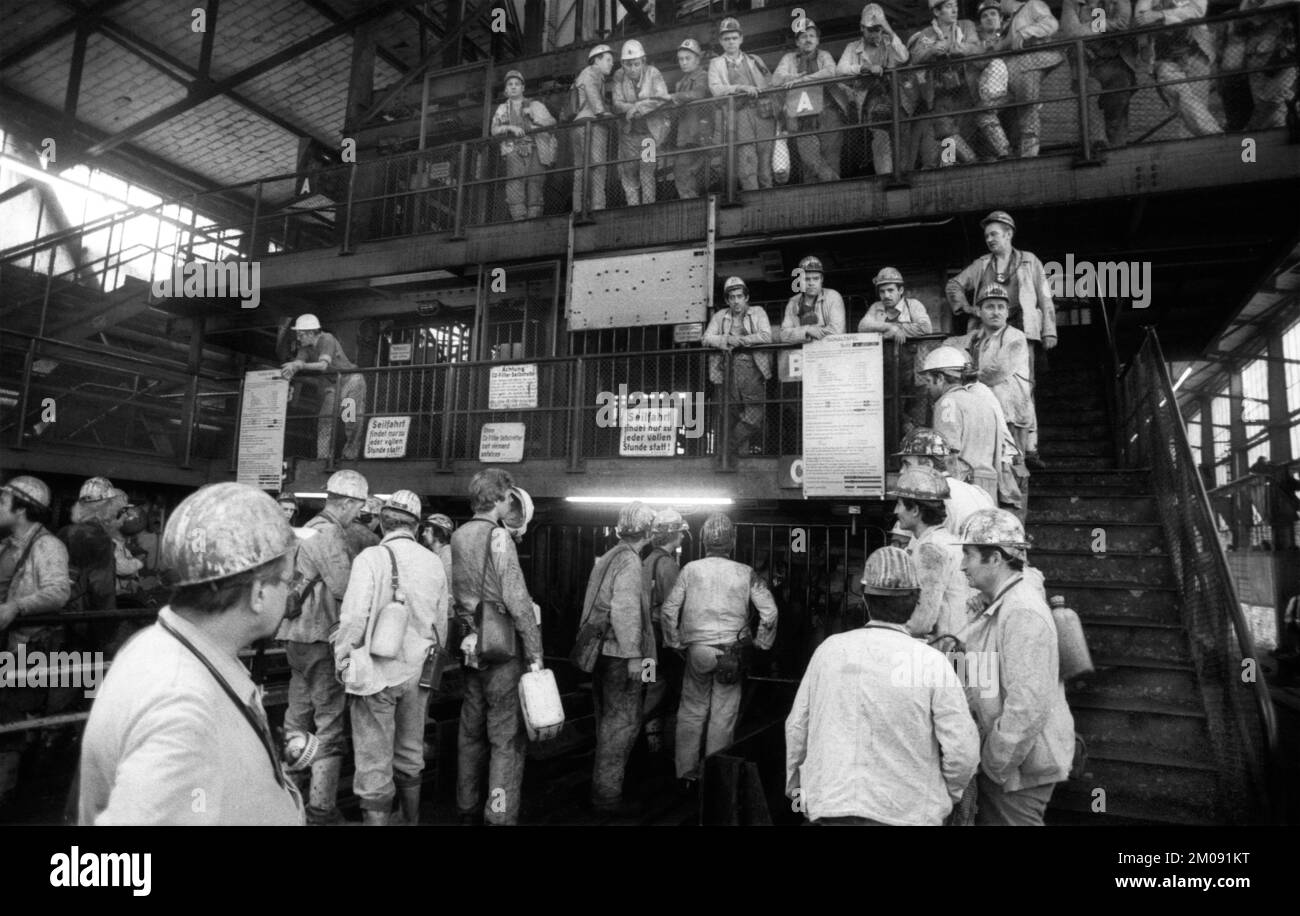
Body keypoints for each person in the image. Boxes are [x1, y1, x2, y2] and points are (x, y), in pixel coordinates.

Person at [78, 483, 304, 825]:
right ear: (258, 594)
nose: (289, 591)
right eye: (287, 580)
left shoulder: (164, 649)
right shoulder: (183, 707)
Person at [785, 547, 978, 825]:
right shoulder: (932, 662)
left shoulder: (829, 652)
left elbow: (797, 728)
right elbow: (963, 750)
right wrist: (947, 794)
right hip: (907, 814)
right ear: (917, 599)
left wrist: (797, 789)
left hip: (830, 808)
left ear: (864, 598)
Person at [334, 490, 447, 826]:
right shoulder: (434, 563)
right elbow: (441, 626)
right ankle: (410, 822)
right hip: (418, 672)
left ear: (383, 521)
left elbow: (353, 619)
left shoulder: (370, 558)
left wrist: (342, 659)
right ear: (415, 526)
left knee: (373, 762)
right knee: (411, 754)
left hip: (377, 673)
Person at [958, 508, 1076, 825]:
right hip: (1013, 766)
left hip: (1017, 772)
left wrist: (993, 765)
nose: (962, 565)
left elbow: (1028, 705)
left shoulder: (1022, 611)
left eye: (968, 555)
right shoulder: (1002, 603)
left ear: (995, 558)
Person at [450, 468, 544, 826]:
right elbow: (517, 601)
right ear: (500, 498)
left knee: (470, 731)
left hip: (470, 644)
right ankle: (500, 814)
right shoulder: (498, 537)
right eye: (508, 498)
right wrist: (534, 652)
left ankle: (466, 805)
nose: (510, 504)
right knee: (506, 738)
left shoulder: (459, 536)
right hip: (502, 647)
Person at [278, 468, 368, 825]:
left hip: (294, 636)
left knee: (296, 716)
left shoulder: (306, 526)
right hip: (319, 638)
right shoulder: (329, 534)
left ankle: (286, 795)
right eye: (357, 507)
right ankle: (321, 809)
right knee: (329, 722)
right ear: (346, 502)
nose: (358, 514)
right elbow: (346, 588)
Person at [661, 513, 778, 785]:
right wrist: (762, 642)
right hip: (732, 653)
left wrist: (675, 641)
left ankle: (685, 774)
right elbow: (770, 613)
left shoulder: (690, 569)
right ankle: (714, 778)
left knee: (691, 710)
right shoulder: (745, 572)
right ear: (732, 541)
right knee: (723, 715)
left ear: (703, 541)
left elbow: (669, 610)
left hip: (698, 651)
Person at [580, 502, 656, 816]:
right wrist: (635, 657)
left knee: (607, 723)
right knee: (621, 725)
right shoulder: (630, 562)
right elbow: (624, 612)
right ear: (649, 532)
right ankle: (608, 798)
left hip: (600, 655)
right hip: (618, 655)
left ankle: (605, 790)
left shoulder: (608, 556)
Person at [0, 475, 71, 808]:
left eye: (2, 502)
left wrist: (18, 606)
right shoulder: (6, 544)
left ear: (22, 510)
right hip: (8, 646)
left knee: (10, 720)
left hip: (26, 649)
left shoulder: (47, 546)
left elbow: (59, 591)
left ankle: (8, 795)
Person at [946, 210, 1058, 386]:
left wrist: (1049, 331)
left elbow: (1045, 298)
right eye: (986, 236)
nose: (989, 239)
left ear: (1008, 234)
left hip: (1022, 326)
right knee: (987, 377)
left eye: (993, 234)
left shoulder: (1030, 261)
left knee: (1024, 379)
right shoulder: (981, 264)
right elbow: (954, 284)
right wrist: (967, 307)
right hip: (989, 329)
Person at [922, 345, 1022, 510]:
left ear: (939, 378)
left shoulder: (947, 402)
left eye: (928, 381)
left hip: (964, 486)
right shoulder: (984, 403)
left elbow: (948, 454)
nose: (927, 387)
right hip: (989, 487)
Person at [955, 285, 1039, 467]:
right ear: (979, 311)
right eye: (990, 306)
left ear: (1007, 312)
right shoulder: (977, 339)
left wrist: (969, 376)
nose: (996, 312)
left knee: (1014, 467)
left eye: (1001, 307)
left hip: (1012, 414)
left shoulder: (1015, 337)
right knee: (990, 466)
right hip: (988, 411)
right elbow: (954, 347)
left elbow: (996, 371)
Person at [891, 467, 972, 640]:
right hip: (961, 642)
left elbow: (923, 618)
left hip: (949, 648)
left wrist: (893, 634)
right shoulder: (945, 539)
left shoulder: (930, 548)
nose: (895, 511)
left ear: (915, 510)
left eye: (899, 504)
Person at [280, 313, 367, 461]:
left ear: (311, 333)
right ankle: (323, 458)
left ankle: (350, 455)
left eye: (301, 334)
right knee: (325, 420)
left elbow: (322, 365)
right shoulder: (304, 348)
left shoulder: (327, 339)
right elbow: (297, 364)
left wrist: (299, 365)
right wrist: (291, 369)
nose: (298, 338)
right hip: (333, 385)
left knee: (351, 419)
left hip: (351, 380)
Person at [703, 276, 774, 457]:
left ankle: (727, 447)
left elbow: (767, 336)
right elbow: (706, 339)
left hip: (752, 369)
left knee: (754, 416)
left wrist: (741, 341)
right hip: (727, 369)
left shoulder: (758, 312)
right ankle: (734, 456)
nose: (736, 301)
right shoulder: (721, 316)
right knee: (730, 414)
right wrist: (727, 340)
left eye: (739, 296)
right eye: (732, 297)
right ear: (727, 300)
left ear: (746, 297)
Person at [837, 4, 911, 176]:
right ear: (862, 28)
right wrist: (865, 68)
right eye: (871, 30)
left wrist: (889, 30)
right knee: (881, 140)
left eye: (878, 29)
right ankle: (886, 178)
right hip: (873, 105)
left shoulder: (889, 42)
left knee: (902, 140)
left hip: (898, 101)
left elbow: (904, 56)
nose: (875, 34)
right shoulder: (852, 48)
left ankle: (905, 176)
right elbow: (840, 70)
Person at [909, 0, 981, 167]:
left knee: (965, 131)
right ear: (936, 11)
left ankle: (950, 163)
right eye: (949, 6)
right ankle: (969, 160)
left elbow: (976, 47)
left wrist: (957, 48)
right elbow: (917, 56)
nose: (954, 9)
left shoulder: (966, 26)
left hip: (965, 88)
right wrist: (932, 50)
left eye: (955, 5)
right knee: (944, 130)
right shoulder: (928, 33)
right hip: (940, 91)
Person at [1134, 0, 1222, 136]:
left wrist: (1161, 15)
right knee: (1182, 95)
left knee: (1196, 107)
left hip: (1196, 53)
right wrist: (1176, 17)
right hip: (1164, 59)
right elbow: (1141, 18)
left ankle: (1198, 149)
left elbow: (1196, 11)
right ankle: (1215, 134)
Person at [708, 17, 777, 191]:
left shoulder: (754, 59)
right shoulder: (716, 63)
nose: (731, 42)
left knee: (765, 162)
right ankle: (754, 204)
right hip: (739, 115)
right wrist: (741, 88)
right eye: (726, 39)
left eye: (734, 38)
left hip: (763, 113)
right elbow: (716, 89)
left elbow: (771, 83)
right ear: (721, 42)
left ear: (741, 39)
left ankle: (767, 200)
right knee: (747, 163)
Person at [772, 18, 844, 183]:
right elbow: (776, 79)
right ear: (797, 42)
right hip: (801, 116)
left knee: (832, 157)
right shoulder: (789, 58)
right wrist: (791, 77)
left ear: (817, 40)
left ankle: (833, 196)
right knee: (809, 161)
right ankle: (834, 183)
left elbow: (831, 72)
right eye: (803, 36)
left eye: (812, 36)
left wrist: (804, 80)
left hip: (828, 112)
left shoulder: (824, 55)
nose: (808, 39)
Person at [641, 508, 689, 755]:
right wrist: (679, 642)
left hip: (647, 642)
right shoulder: (668, 565)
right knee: (670, 690)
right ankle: (662, 747)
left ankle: (650, 740)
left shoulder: (646, 560)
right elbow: (673, 608)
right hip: (662, 641)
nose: (682, 536)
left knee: (650, 686)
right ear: (673, 535)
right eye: (680, 532)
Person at [1061, 0, 1138, 149]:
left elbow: (1122, 22)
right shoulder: (1071, 2)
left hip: (1114, 60)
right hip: (1085, 61)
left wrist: (1089, 28)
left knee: (1117, 106)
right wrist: (1105, 27)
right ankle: (1097, 144)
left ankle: (1118, 149)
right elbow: (1071, 32)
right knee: (1088, 100)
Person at [897, 426, 996, 536]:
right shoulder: (978, 492)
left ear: (928, 465)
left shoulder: (934, 497)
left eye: (907, 464)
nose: (902, 471)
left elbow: (927, 546)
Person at [997, 0, 1063, 157]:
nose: (1000, 4)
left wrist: (1025, 33)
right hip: (1011, 72)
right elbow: (1003, 45)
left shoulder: (1032, 5)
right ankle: (1007, 152)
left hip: (1030, 63)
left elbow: (1051, 23)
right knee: (1001, 111)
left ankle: (1030, 154)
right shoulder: (1006, 21)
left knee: (1028, 106)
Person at [491, 70, 557, 221]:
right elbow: (494, 130)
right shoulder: (502, 109)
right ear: (506, 90)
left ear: (523, 88)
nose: (513, 87)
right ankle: (519, 218)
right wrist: (510, 128)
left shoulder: (536, 105)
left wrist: (536, 122)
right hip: (514, 148)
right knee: (515, 183)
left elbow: (552, 122)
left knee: (535, 182)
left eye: (517, 84)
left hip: (535, 147)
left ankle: (533, 218)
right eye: (510, 84)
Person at [612, 40, 671, 207]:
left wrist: (638, 108)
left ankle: (648, 207)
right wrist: (630, 108)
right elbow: (617, 103)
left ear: (643, 61)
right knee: (629, 171)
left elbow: (661, 97)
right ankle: (633, 207)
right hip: (629, 136)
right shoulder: (619, 76)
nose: (632, 69)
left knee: (647, 171)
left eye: (636, 64)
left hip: (649, 135)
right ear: (623, 64)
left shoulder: (653, 73)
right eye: (628, 65)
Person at [1225, 0, 1298, 130]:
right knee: (1265, 103)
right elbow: (1247, 19)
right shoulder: (1247, 4)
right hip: (1257, 55)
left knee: (1274, 97)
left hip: (1283, 52)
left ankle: (1253, 130)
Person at [57, 477, 120, 615]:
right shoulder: (98, 537)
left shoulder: (66, 532)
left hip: (67, 614)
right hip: (89, 618)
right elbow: (101, 588)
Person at [572, 44, 616, 212]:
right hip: (591, 124)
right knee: (598, 167)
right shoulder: (593, 72)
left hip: (578, 125)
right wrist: (601, 113)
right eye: (608, 60)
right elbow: (591, 91)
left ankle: (578, 208)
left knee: (579, 169)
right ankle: (598, 207)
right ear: (597, 60)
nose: (611, 64)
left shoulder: (584, 74)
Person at [669, 38, 712, 199]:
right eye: (681, 59)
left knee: (683, 171)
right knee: (684, 172)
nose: (684, 62)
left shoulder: (703, 76)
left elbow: (698, 94)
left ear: (697, 58)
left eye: (688, 58)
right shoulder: (680, 83)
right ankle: (691, 202)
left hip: (698, 134)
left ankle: (690, 205)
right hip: (684, 135)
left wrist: (673, 97)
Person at [970, 0, 1014, 158]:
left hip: (1016, 86)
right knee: (983, 114)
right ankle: (1005, 152)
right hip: (993, 94)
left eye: (993, 14)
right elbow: (978, 62)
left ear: (1001, 17)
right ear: (980, 23)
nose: (989, 18)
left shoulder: (1011, 32)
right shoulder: (976, 42)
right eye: (984, 16)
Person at [779, 255, 847, 343]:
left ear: (821, 279)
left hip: (831, 351)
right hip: (803, 353)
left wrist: (799, 334)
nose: (811, 283)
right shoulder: (793, 301)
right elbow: (783, 335)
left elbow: (837, 331)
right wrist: (807, 330)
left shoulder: (833, 296)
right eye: (806, 279)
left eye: (815, 279)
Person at [423, 513, 455, 577]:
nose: (423, 534)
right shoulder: (437, 554)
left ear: (438, 533)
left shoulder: (447, 556)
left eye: (427, 531)